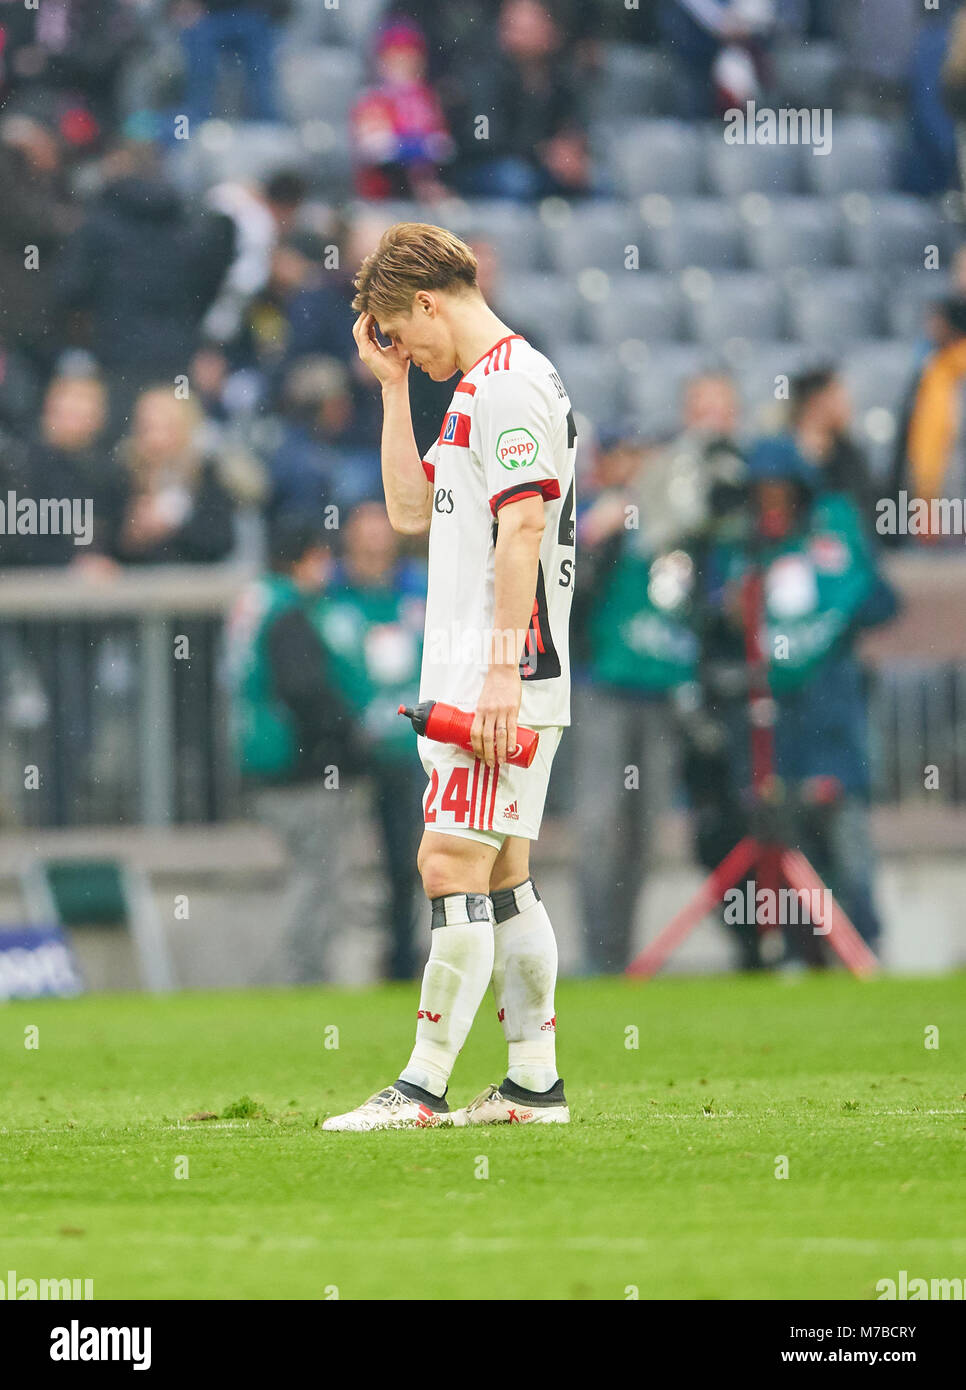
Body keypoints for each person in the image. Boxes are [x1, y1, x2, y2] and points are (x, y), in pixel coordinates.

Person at [323, 222, 577, 1131]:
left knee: (444, 860)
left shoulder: (508, 384)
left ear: (428, 301)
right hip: (500, 670)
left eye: (403, 332)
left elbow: (522, 532)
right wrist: (394, 391)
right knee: (504, 874)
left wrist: (502, 676)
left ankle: (421, 1087)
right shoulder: (481, 386)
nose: (409, 351)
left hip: (496, 671)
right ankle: (534, 1084)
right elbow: (406, 510)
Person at [227, 516, 365, 981]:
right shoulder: (289, 612)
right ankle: (301, 975)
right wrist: (351, 736)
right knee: (318, 875)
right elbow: (305, 691)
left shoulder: (257, 600)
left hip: (258, 758)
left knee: (309, 873)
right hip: (295, 763)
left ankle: (297, 973)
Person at [312, 502, 427, 980]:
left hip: (406, 749)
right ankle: (317, 965)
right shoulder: (328, 598)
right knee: (328, 863)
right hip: (345, 750)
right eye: (365, 535)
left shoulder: (421, 594)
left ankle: (403, 958)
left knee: (408, 862)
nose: (375, 545)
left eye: (383, 534)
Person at [114, 388, 236, 564]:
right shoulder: (122, 476)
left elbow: (221, 540)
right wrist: (132, 532)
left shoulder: (205, 475)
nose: (156, 439)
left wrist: (172, 527)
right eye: (147, 429)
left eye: (167, 428)